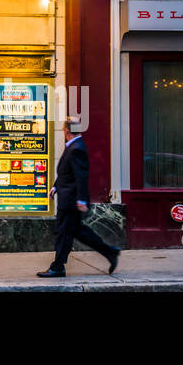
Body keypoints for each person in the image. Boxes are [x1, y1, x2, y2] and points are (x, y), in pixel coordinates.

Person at [38, 117, 120, 277]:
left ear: (66, 131)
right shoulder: (74, 146)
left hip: (71, 201)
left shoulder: (76, 148)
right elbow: (66, 171)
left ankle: (57, 267)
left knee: (63, 232)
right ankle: (110, 252)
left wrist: (81, 199)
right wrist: (55, 186)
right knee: (77, 232)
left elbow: (80, 176)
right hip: (69, 198)